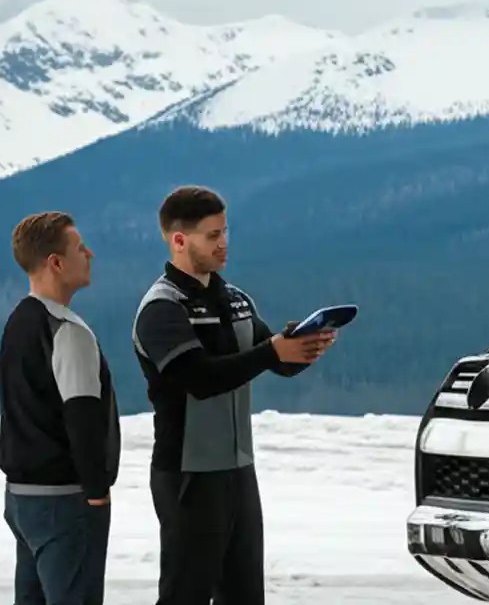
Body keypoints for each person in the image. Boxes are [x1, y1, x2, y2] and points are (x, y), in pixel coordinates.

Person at [132, 185, 336, 604]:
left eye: (225, 232)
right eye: (212, 235)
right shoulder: (162, 308)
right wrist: (271, 351)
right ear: (179, 240)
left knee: (245, 595)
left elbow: (273, 361)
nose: (223, 243)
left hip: (239, 470)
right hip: (187, 472)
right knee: (185, 593)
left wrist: (300, 347)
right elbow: (200, 379)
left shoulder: (237, 300)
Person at [0, 211, 120, 605]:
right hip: (65, 501)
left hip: (21, 499)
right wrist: (97, 492)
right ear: (56, 262)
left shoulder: (17, 322)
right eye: (79, 247)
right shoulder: (67, 330)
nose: (90, 254)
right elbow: (81, 416)